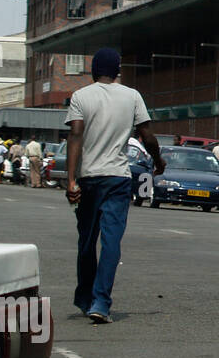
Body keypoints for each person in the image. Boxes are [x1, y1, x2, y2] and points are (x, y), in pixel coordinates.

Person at [66, 47, 165, 323]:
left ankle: (85, 297)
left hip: (88, 178)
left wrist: (71, 179)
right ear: (118, 71)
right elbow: (147, 135)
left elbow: (75, 136)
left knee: (86, 241)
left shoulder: (80, 97)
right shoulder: (132, 96)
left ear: (94, 71)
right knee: (111, 241)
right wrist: (158, 160)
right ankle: (100, 302)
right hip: (118, 178)